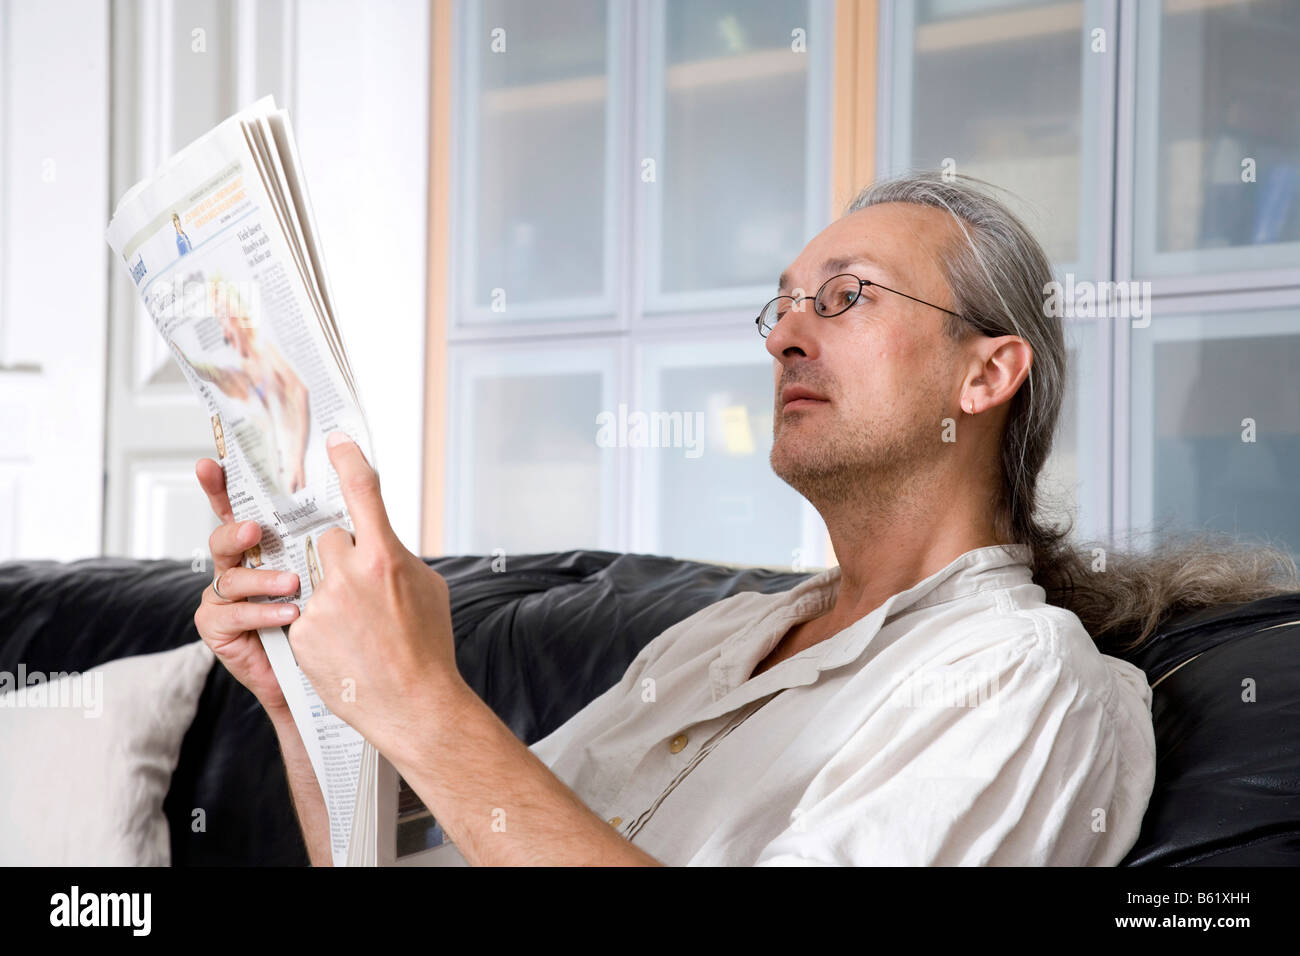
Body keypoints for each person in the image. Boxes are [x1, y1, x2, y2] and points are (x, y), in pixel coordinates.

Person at [191, 173, 1297, 866]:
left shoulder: (1024, 679)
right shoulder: (712, 645)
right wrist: (316, 696)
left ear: (986, 372)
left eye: (847, 295)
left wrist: (423, 697)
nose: (781, 337)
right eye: (783, 304)